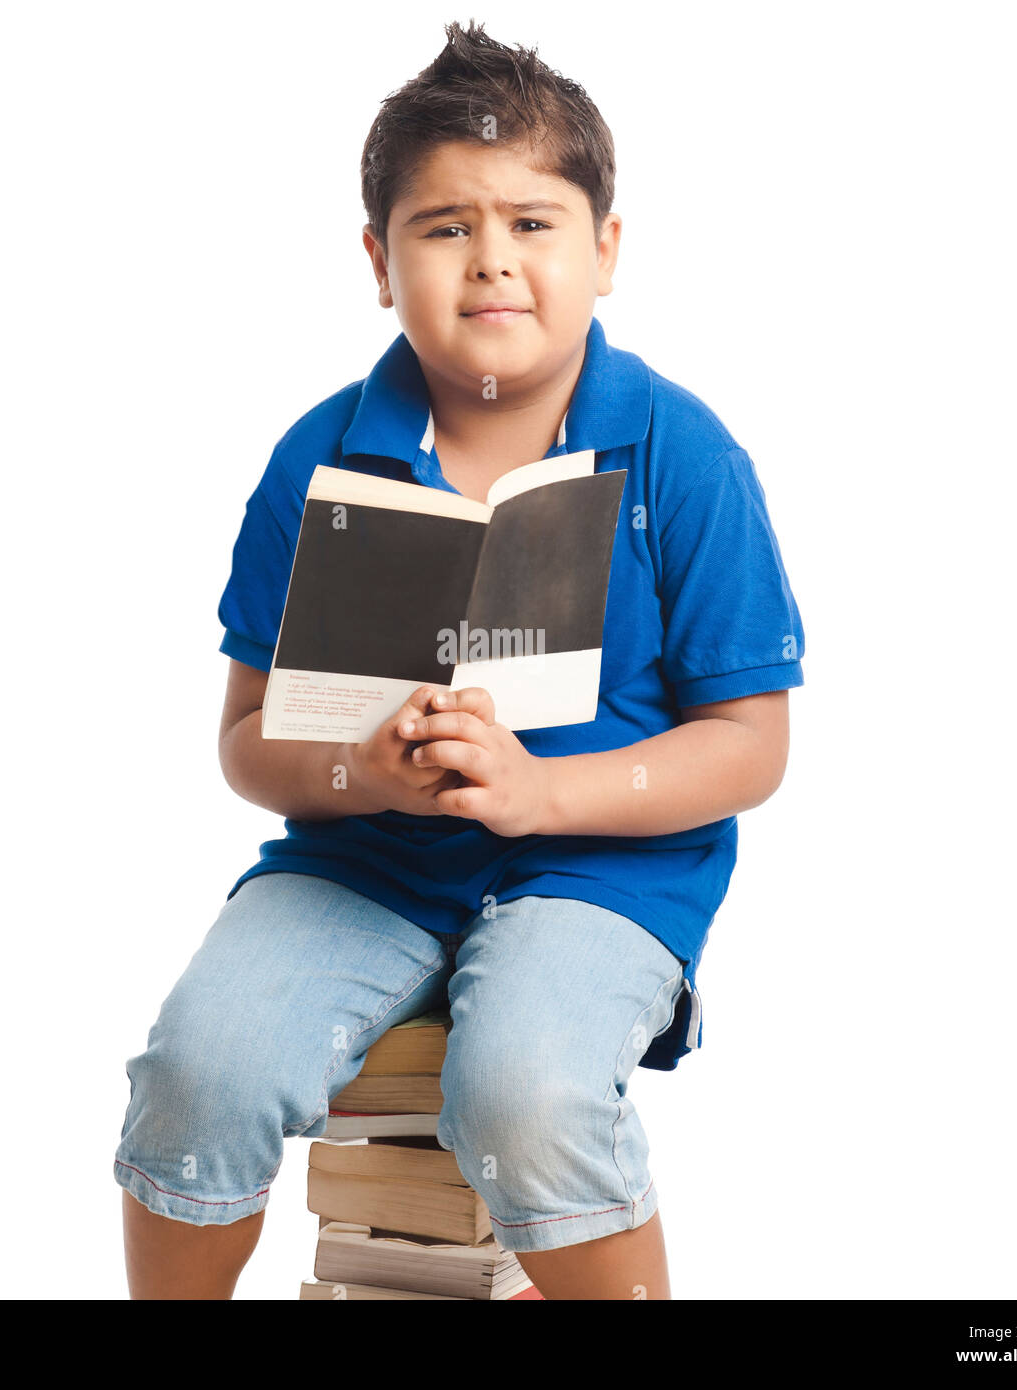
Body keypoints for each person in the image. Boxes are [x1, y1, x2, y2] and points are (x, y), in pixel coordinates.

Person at [113, 19, 806, 1300]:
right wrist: (357, 772)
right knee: (197, 1065)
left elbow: (751, 742)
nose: (491, 261)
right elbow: (244, 741)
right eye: (443, 228)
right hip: (362, 857)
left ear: (606, 250)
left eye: (532, 224)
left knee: (525, 1089)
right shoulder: (316, 459)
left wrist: (541, 795)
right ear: (379, 262)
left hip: (602, 868)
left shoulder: (683, 453)